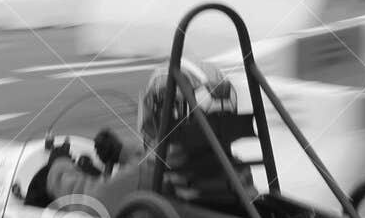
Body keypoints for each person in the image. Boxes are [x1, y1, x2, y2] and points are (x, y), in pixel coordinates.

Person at [42, 59, 241, 205]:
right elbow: (172, 156)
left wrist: (58, 166)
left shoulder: (146, 177)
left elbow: (89, 200)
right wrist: (121, 151)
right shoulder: (236, 168)